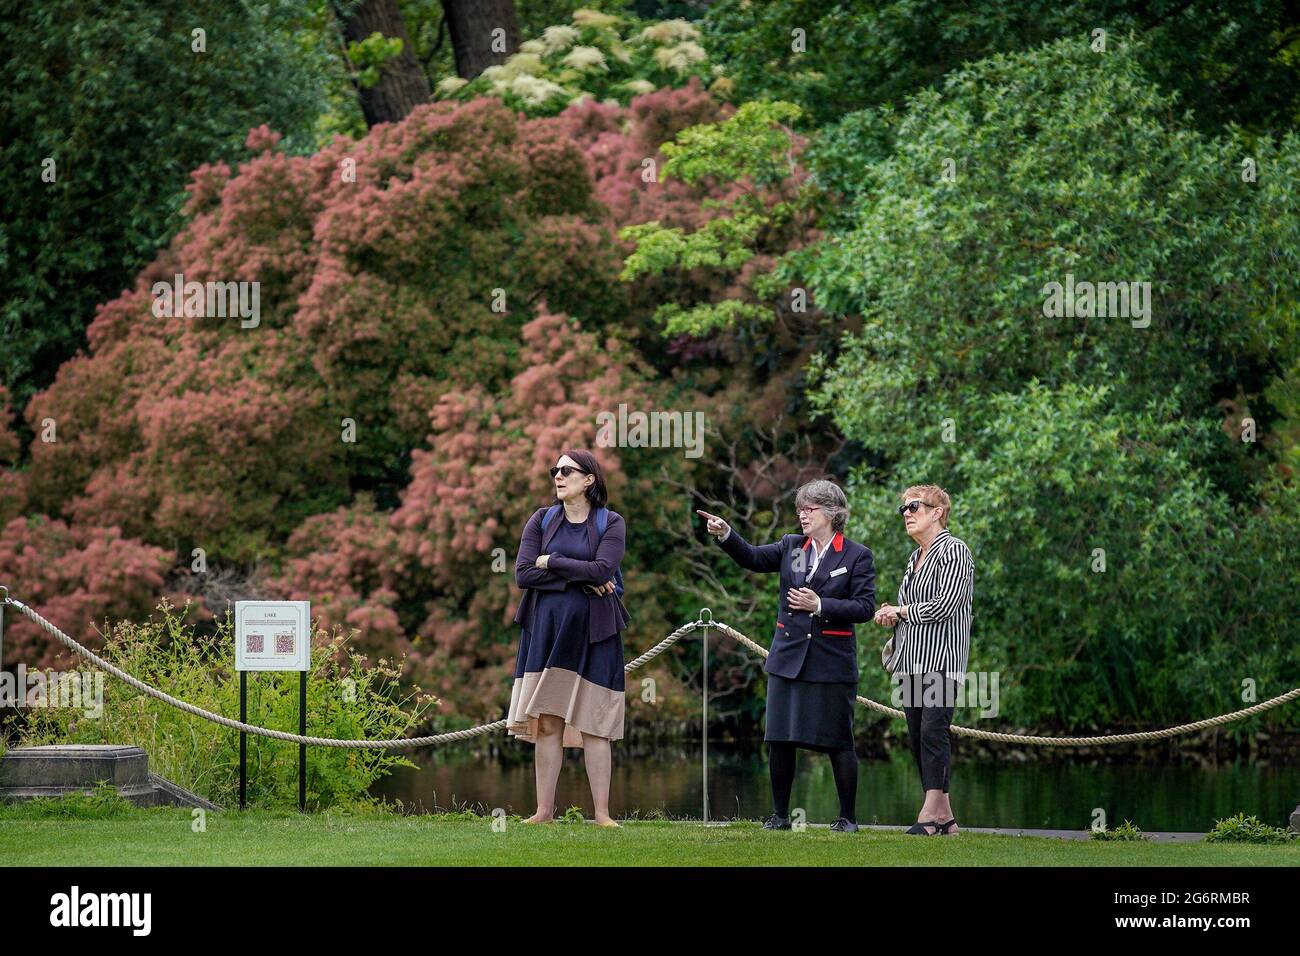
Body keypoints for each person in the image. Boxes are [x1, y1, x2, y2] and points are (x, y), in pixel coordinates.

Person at [698, 479, 875, 832]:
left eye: (809, 509)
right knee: (779, 738)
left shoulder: (857, 554)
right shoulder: (792, 546)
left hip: (831, 661)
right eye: (800, 509)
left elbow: (865, 607)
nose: (802, 515)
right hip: (787, 657)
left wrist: (820, 604)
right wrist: (726, 534)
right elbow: (751, 557)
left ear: (831, 512)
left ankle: (847, 818)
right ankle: (779, 815)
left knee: (839, 740)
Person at [510, 449, 629, 827]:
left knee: (596, 724)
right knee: (547, 722)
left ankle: (603, 815)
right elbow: (524, 574)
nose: (557, 477)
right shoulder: (541, 520)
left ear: (589, 479)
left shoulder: (611, 522)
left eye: (566, 470)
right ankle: (543, 812)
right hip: (547, 633)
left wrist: (554, 561)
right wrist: (579, 575)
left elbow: (604, 569)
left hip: (596, 633)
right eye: (554, 471)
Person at [873, 484, 973, 836]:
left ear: (937, 512)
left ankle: (929, 815)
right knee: (917, 735)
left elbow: (945, 605)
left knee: (933, 732)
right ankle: (945, 817)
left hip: (942, 660)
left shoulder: (954, 551)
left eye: (914, 506)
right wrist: (892, 615)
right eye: (904, 508)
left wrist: (900, 610)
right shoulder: (913, 559)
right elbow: (913, 611)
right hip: (911, 661)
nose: (907, 513)